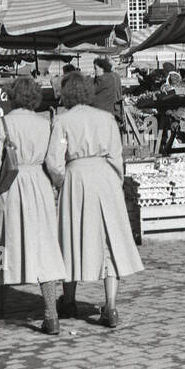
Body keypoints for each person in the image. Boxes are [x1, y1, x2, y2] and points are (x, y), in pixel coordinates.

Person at [47, 72, 143, 329]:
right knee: (110, 241)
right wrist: (115, 181)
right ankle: (110, 306)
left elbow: (54, 162)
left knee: (71, 236)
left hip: (76, 177)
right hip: (105, 179)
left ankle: (68, 301)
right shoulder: (107, 119)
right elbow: (116, 155)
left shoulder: (62, 121)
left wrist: (60, 182)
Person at [0, 76, 66, 333]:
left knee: (1, 246)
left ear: (11, 96)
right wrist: (54, 184)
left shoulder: (0, 124)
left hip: (10, 187)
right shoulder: (46, 124)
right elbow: (53, 161)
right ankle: (51, 314)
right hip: (39, 185)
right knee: (45, 246)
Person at [87, 56, 123, 121]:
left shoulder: (104, 79)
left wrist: (90, 79)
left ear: (102, 68)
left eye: (95, 68)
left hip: (102, 113)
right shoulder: (112, 76)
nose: (94, 71)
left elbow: (92, 90)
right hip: (110, 111)